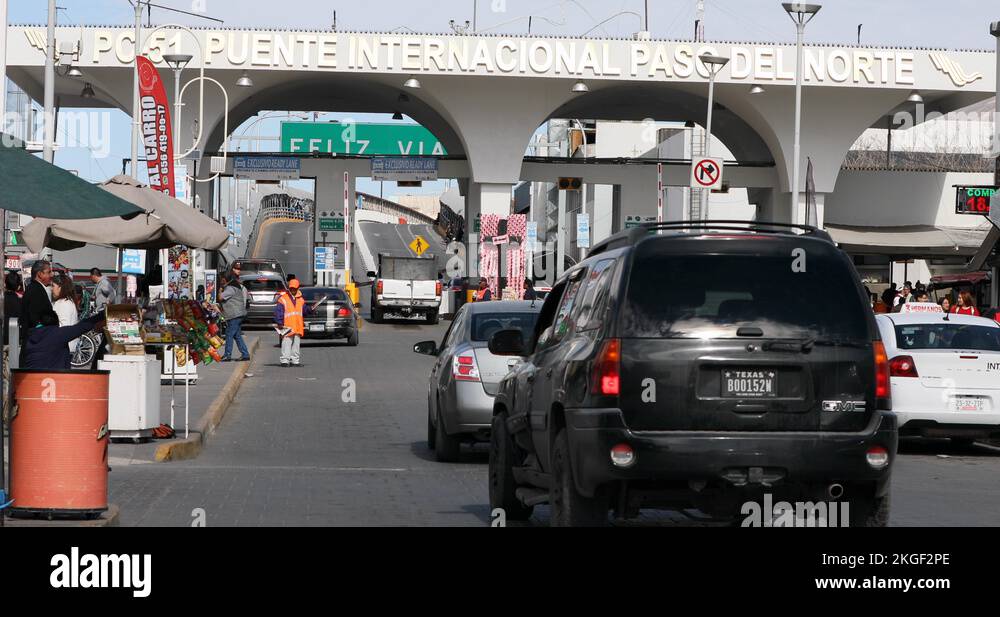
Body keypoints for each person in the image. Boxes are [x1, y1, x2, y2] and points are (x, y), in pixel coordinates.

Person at [24, 312, 105, 370]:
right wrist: (103, 314)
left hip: (33, 381)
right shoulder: (57, 334)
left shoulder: (30, 337)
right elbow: (82, 327)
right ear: (56, 323)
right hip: (55, 380)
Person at [19, 260, 58, 364]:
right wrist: (54, 319)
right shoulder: (36, 290)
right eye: (49, 272)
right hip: (35, 344)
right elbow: (36, 319)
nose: (52, 275)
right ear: (40, 274)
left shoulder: (34, 288)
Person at [273, 279, 316, 368]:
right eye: (291, 288)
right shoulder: (283, 299)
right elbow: (279, 312)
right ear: (289, 288)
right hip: (287, 326)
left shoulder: (300, 299)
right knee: (286, 344)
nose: (292, 290)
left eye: (294, 288)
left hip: (297, 325)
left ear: (297, 288)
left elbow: (304, 310)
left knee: (296, 345)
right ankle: (285, 361)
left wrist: (310, 309)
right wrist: (280, 322)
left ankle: (295, 361)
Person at [220, 273, 250, 362]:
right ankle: (245, 354)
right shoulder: (233, 287)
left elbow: (220, 297)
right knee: (237, 335)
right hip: (237, 314)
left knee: (229, 334)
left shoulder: (230, 288)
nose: (220, 281)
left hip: (235, 315)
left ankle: (227, 355)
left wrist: (220, 290)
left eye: (221, 279)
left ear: (225, 279)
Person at [51, 274, 80, 353]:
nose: (51, 289)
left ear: (60, 287)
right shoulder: (67, 301)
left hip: (62, 347)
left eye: (53, 286)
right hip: (64, 346)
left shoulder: (64, 303)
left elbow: (64, 327)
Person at [3, 271, 23, 347]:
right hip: (15, 339)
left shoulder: (2, 300)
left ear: (5, 284)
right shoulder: (21, 302)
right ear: (18, 287)